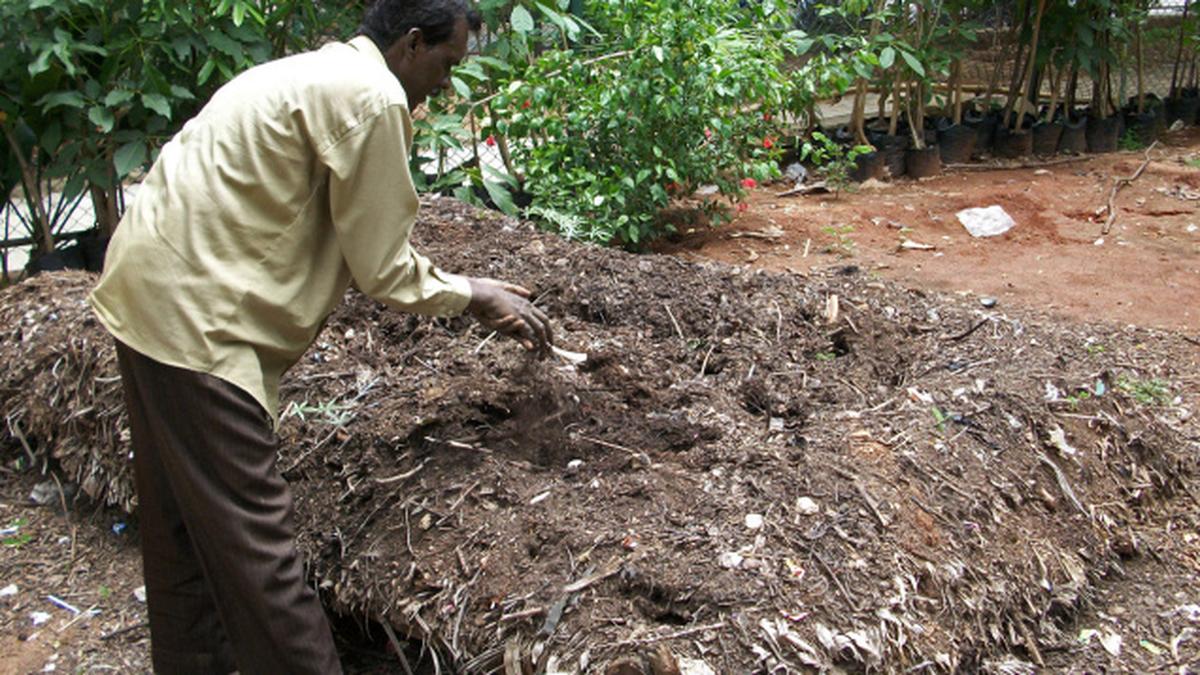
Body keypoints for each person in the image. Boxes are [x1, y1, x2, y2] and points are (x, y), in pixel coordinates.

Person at [88, 1, 551, 672]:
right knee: (261, 556)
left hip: (144, 290)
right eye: (446, 64)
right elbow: (382, 267)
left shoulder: (312, 71)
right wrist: (476, 294)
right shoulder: (373, 99)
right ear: (412, 44)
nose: (445, 85)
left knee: (181, 532)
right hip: (197, 324)